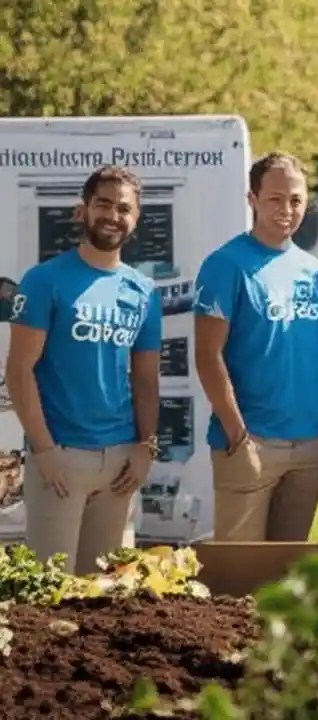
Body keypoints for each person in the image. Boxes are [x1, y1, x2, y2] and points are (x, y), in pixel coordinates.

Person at [6, 166, 162, 574]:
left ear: (136, 218)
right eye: (103, 204)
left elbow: (146, 381)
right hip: (60, 459)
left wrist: (147, 447)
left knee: (106, 595)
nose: (113, 215)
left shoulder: (143, 291)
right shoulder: (44, 280)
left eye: (123, 208)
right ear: (84, 211)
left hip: (120, 463)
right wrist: (43, 452)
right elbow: (19, 371)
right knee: (49, 591)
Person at [193, 152, 318, 542]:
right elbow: (207, 356)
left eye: (296, 200)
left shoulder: (316, 273)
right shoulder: (225, 264)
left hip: (310, 443)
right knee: (240, 580)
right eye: (275, 199)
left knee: (290, 577)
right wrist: (238, 435)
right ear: (252, 199)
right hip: (249, 441)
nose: (287, 210)